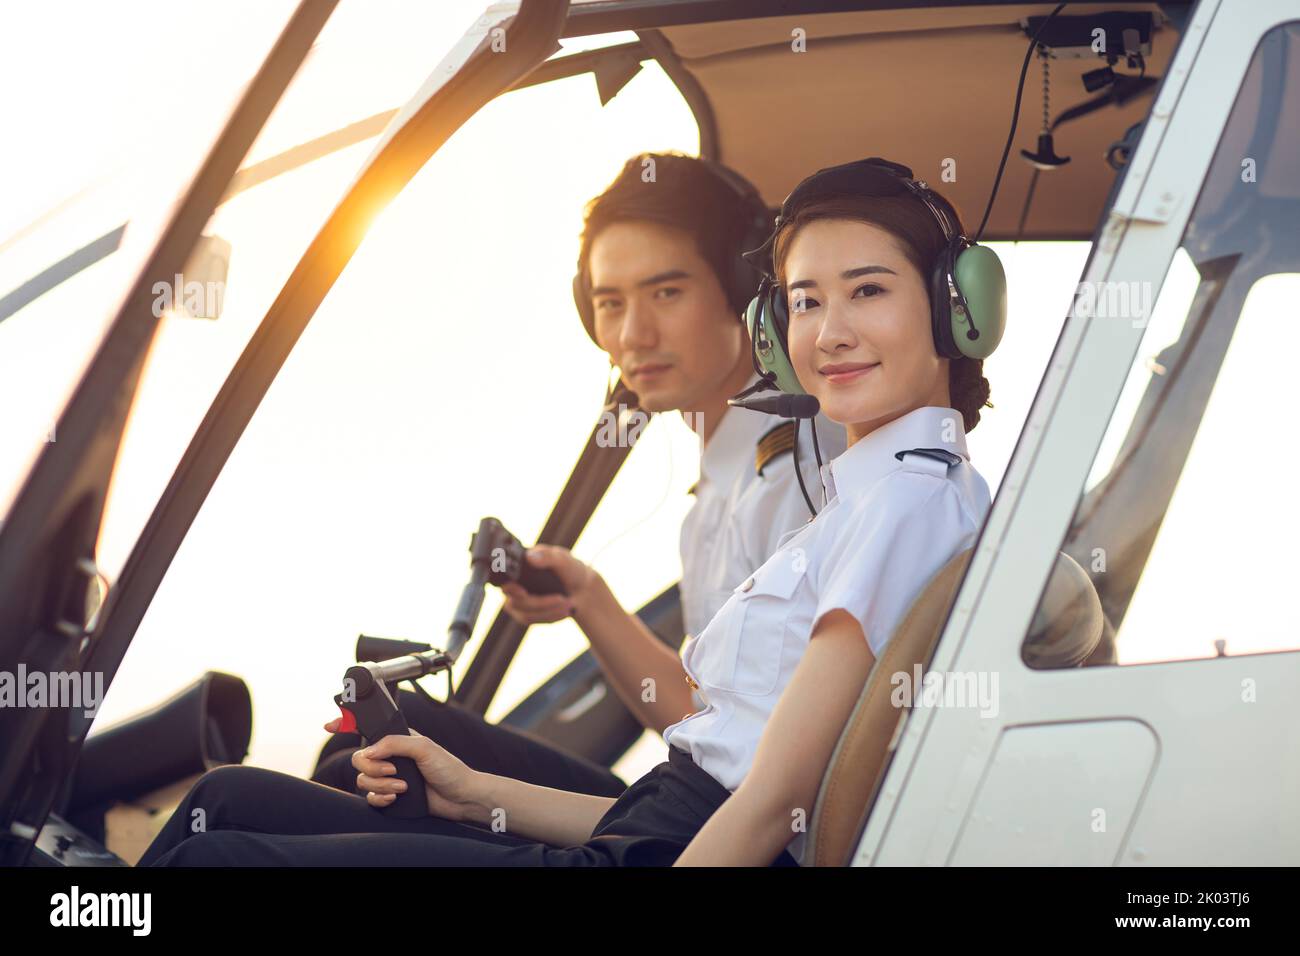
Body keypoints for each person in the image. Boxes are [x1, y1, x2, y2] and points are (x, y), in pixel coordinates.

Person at [138, 156, 998, 866]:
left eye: (870, 292)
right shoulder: (878, 494)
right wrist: (478, 794)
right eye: (807, 301)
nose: (831, 331)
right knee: (228, 801)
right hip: (667, 826)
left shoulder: (896, 501)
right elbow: (703, 783)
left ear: (954, 309)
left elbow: (772, 803)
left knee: (219, 856)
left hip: (687, 838)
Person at [310, 152, 844, 798]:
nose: (634, 334)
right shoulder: (720, 485)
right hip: (705, 801)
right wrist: (586, 597)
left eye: (666, 292)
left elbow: (760, 761)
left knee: (334, 770)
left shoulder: (797, 472)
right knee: (370, 740)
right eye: (609, 303)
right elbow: (704, 720)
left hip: (730, 827)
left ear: (745, 287)